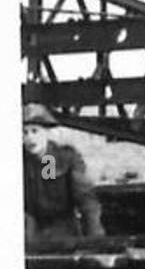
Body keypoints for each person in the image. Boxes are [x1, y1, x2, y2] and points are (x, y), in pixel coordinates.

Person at [23, 104, 104, 244]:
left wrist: (95, 241)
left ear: (47, 133)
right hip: (29, 232)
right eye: (24, 132)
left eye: (35, 131)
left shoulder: (64, 158)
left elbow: (86, 200)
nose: (30, 138)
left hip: (63, 232)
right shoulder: (19, 160)